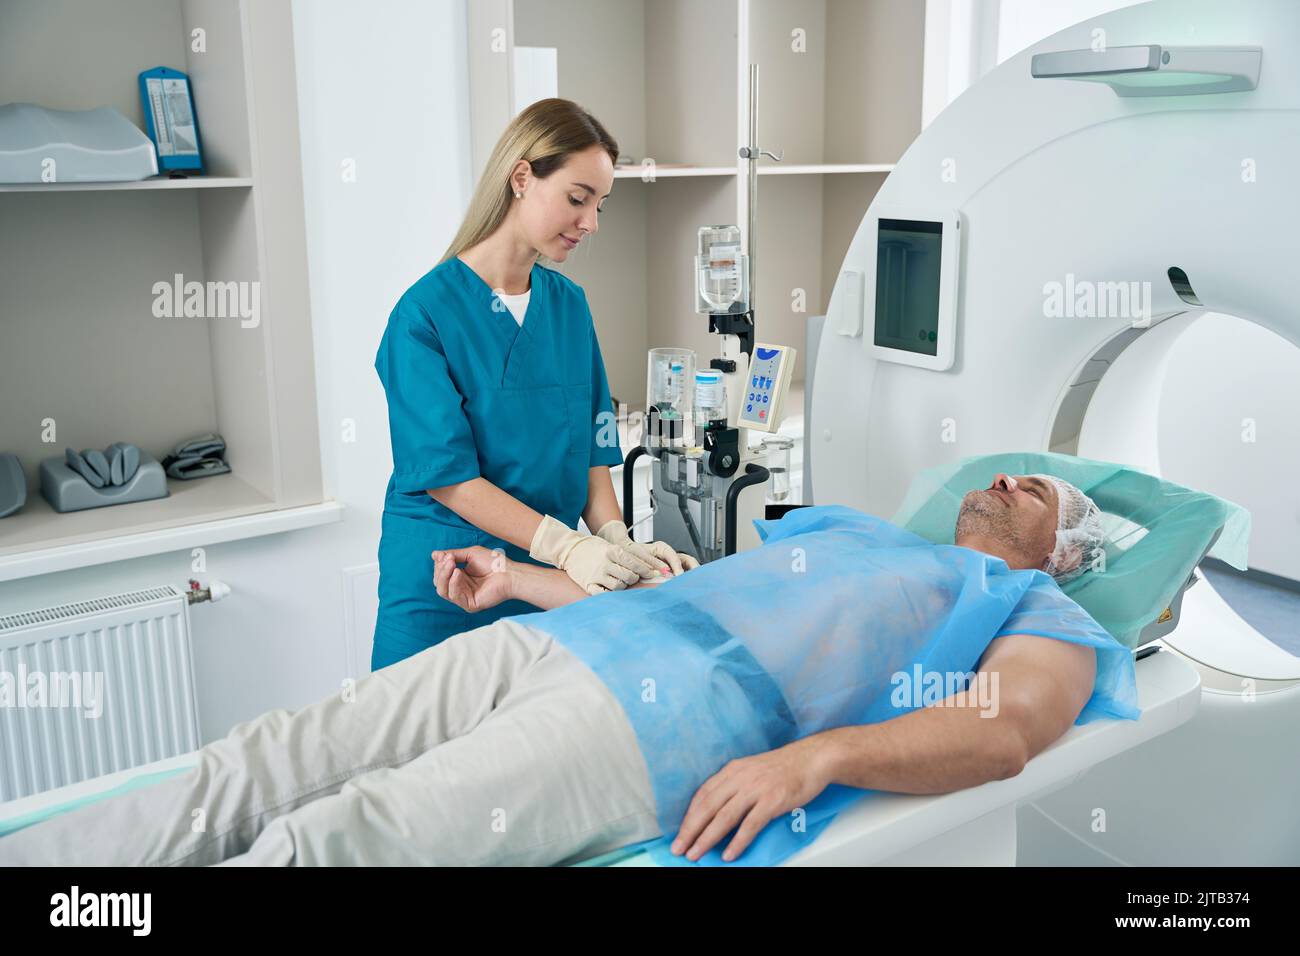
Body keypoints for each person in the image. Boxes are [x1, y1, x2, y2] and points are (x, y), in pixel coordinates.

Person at [0, 474, 1125, 867]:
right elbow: (682, 596)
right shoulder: (851, 527)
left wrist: (811, 759)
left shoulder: (1031, 605)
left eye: (1043, 493)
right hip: (556, 639)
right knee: (258, 757)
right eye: (1009, 470)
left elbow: (1000, 730)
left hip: (656, 730)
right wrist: (524, 581)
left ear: (1061, 547)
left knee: (343, 835)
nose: (1013, 479)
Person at [372, 96, 695, 670]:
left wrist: (615, 541)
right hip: (446, 581)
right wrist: (568, 546)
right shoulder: (423, 316)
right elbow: (450, 479)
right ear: (522, 177)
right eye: (577, 199)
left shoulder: (568, 306)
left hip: (544, 588)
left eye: (600, 205)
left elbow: (593, 450)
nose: (590, 223)